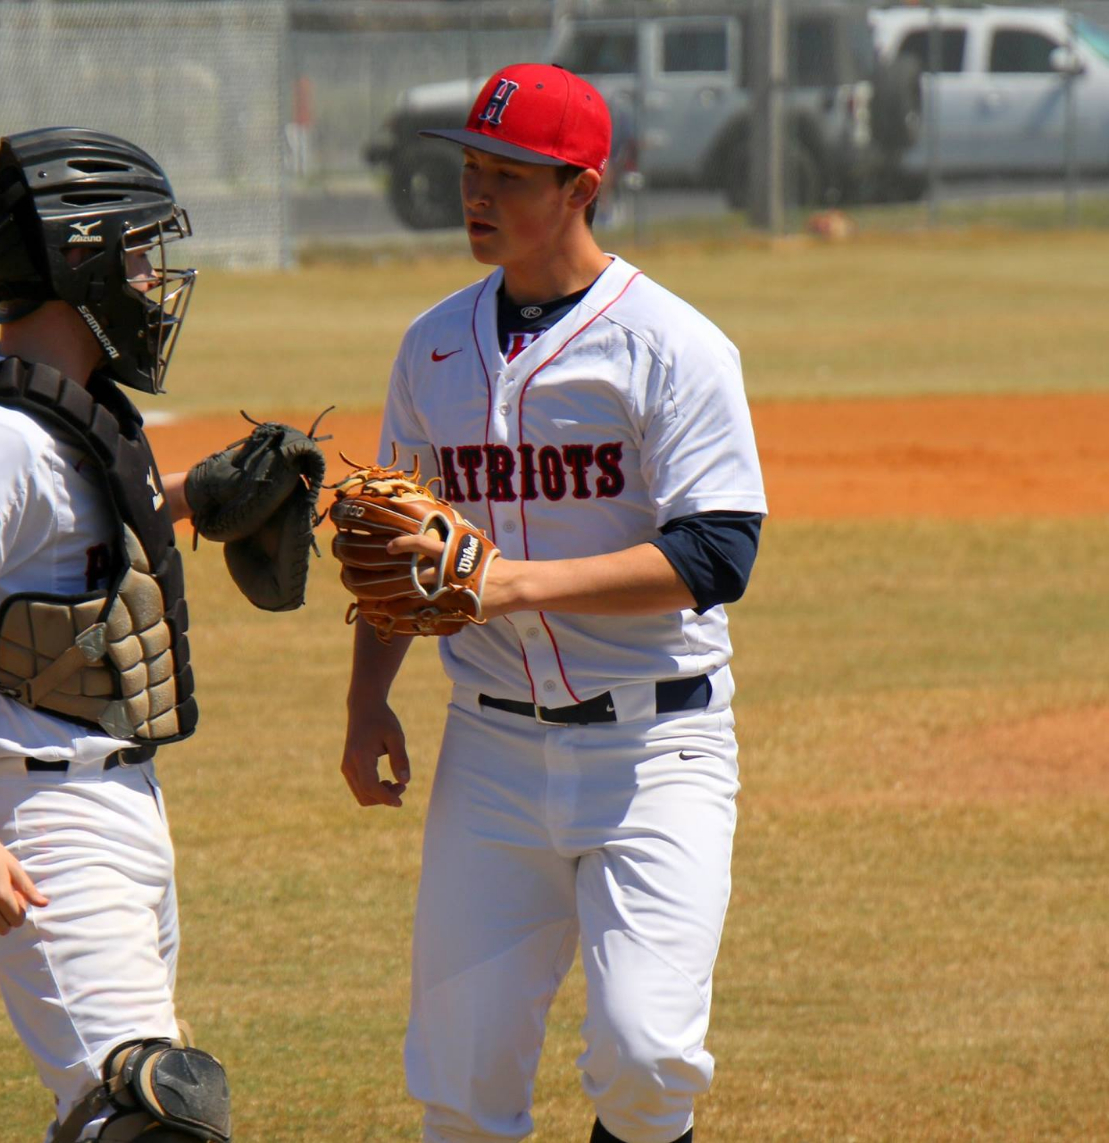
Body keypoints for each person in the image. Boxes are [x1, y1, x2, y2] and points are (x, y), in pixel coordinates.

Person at [339, 65, 768, 1143]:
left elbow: (718, 551)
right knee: (462, 1083)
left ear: (581, 186)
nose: (475, 196)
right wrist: (366, 701)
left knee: (645, 1058)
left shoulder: (672, 345)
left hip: (655, 748)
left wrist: (517, 583)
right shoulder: (431, 344)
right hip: (488, 751)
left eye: (508, 177)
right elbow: (403, 547)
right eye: (471, 171)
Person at [0, 127, 232, 1143]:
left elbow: (70, 536)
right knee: (150, 1115)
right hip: (40, 820)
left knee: (114, 1108)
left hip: (120, 800)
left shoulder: (69, 408)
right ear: (82, 259)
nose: (155, 280)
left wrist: (202, 496)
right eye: (139, 253)